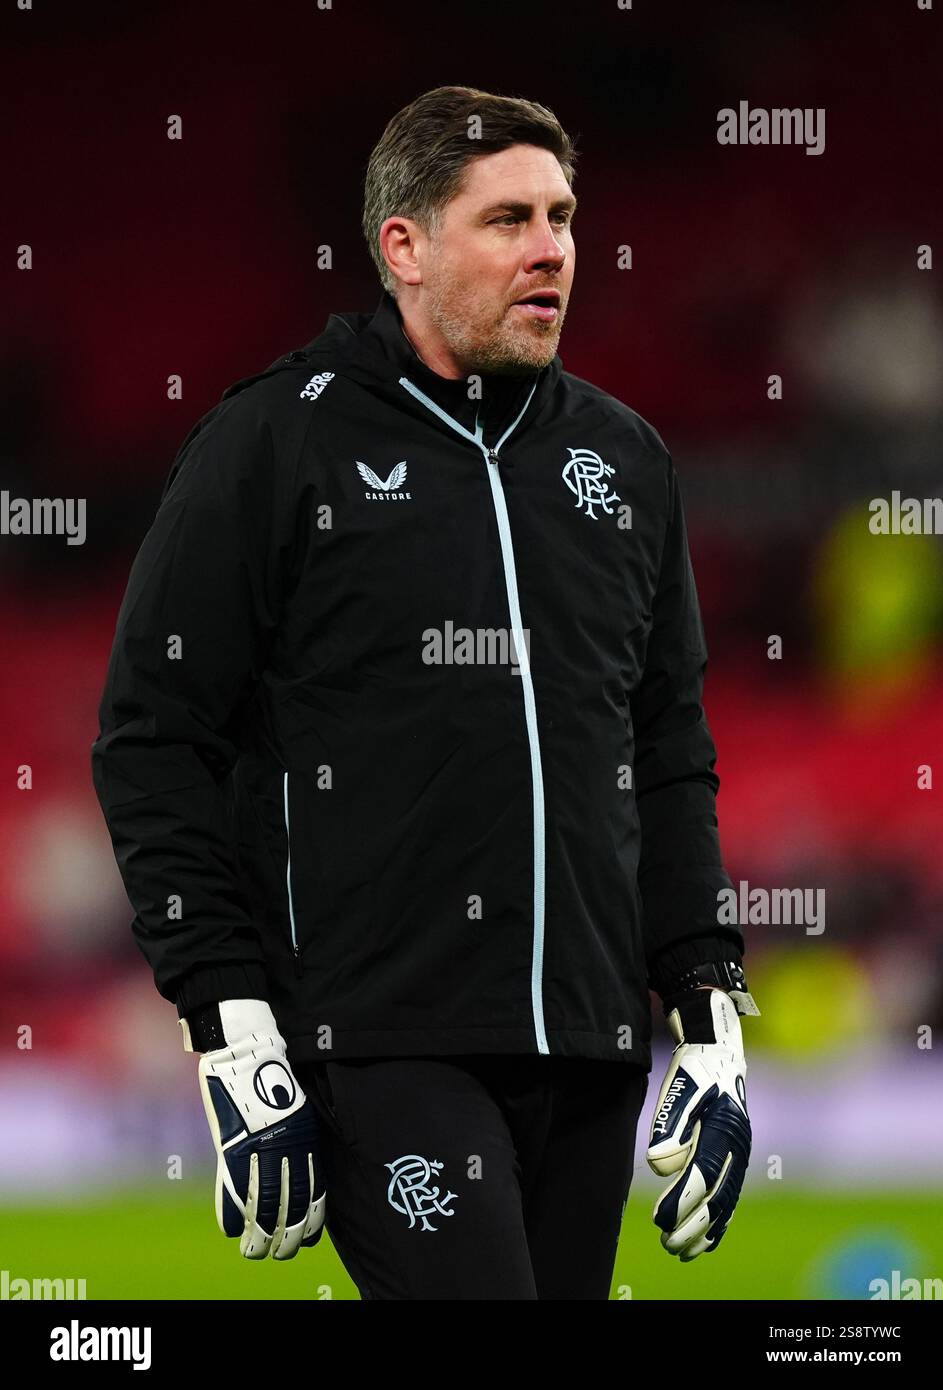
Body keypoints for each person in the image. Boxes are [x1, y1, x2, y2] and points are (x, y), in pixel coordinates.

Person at [91, 85, 759, 1301]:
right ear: (402, 246)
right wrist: (230, 1019)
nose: (553, 249)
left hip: (594, 1041)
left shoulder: (626, 460)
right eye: (507, 219)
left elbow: (664, 749)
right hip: (383, 1037)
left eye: (562, 216)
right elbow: (151, 735)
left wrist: (710, 1013)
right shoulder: (275, 442)